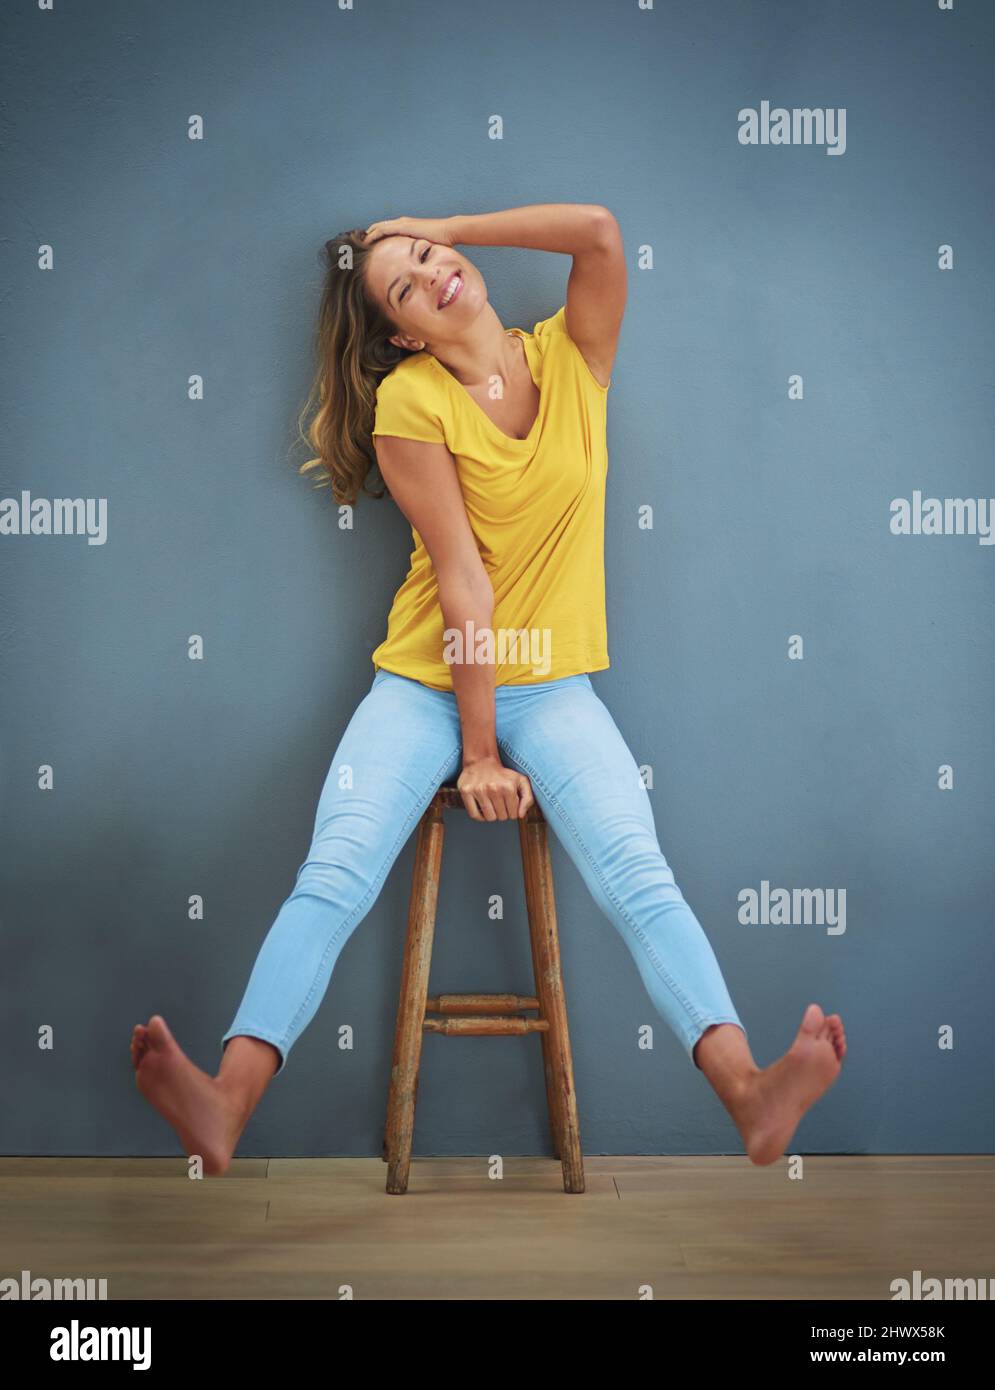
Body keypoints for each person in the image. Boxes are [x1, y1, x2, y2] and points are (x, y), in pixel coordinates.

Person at [131, 204, 846, 1175]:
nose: (431, 277)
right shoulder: (410, 403)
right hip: (426, 680)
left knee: (637, 875)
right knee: (333, 871)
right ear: (400, 332)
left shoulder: (572, 355)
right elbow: (463, 581)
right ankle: (224, 1104)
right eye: (403, 288)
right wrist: (474, 750)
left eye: (429, 257)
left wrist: (438, 220)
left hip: (551, 684)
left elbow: (596, 231)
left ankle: (751, 1095)